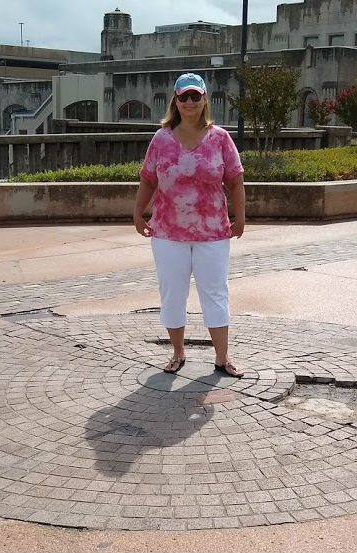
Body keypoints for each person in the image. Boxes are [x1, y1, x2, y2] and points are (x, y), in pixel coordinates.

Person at [132, 73, 247, 378]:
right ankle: (178, 352)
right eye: (184, 97)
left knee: (215, 292)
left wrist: (241, 215)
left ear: (205, 99)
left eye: (196, 96)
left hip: (212, 232)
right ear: (176, 100)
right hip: (168, 232)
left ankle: (222, 357)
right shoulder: (161, 139)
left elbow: (235, 180)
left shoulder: (220, 138)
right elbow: (148, 179)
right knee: (172, 293)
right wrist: (137, 212)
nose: (190, 102)